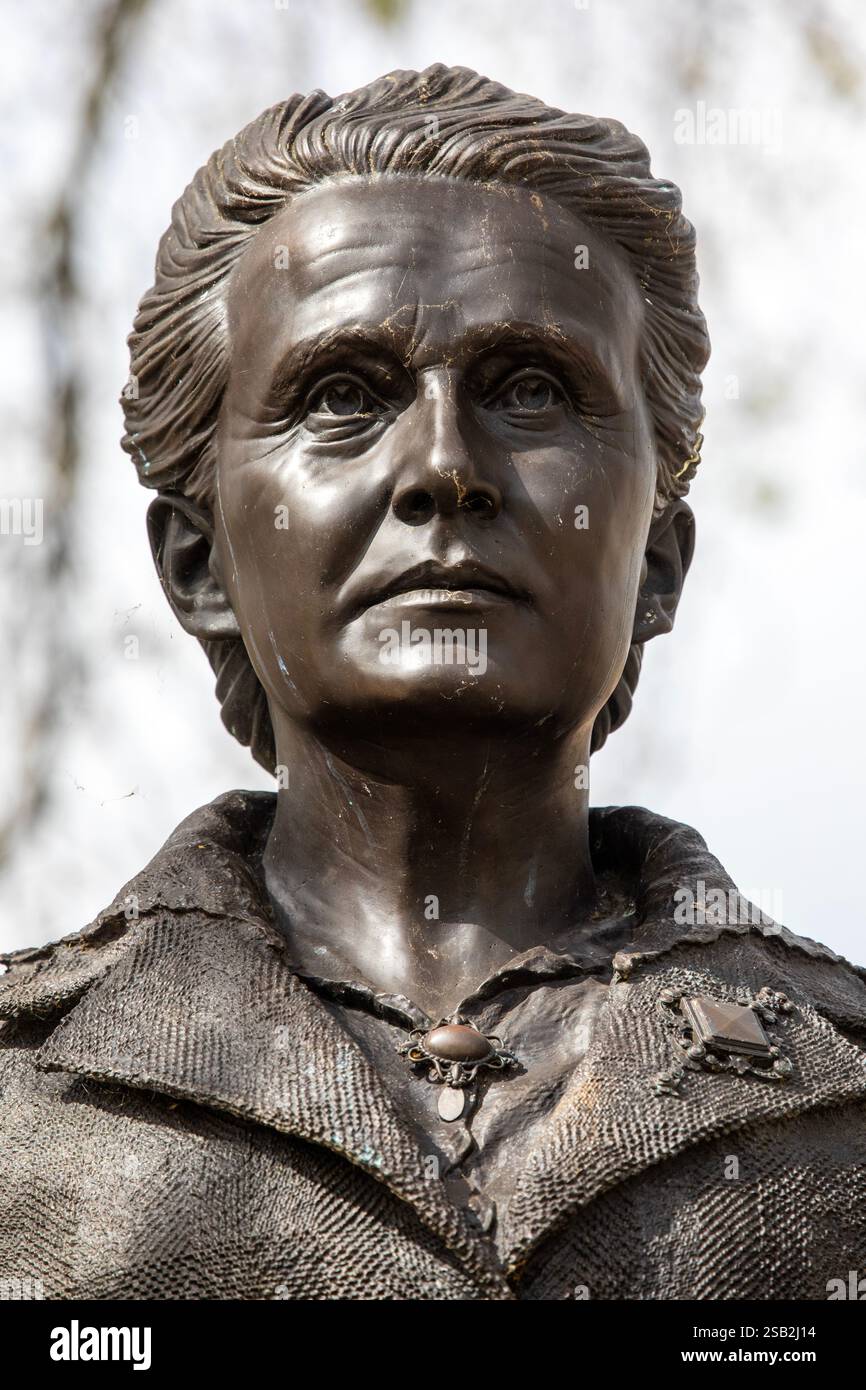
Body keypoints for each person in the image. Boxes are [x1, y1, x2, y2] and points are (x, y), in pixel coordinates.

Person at [2, 64, 865, 1301]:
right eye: (342, 398)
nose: (444, 468)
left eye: (529, 391)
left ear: (657, 565)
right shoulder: (23, 1105)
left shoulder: (839, 1097)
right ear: (198, 561)